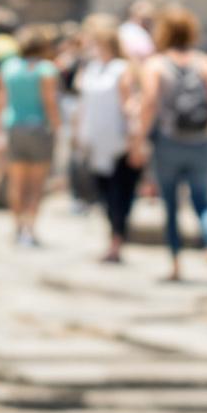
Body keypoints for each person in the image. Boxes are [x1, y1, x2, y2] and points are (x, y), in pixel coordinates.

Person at [134, 3, 207, 286]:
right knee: (204, 203)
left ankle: (175, 263)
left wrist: (139, 140)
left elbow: (149, 103)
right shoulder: (206, 63)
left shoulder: (156, 64)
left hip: (168, 141)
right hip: (199, 141)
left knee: (171, 205)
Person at [74, 15, 143, 263]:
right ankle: (113, 239)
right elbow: (83, 105)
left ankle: (117, 241)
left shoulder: (122, 69)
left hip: (120, 143)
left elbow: (129, 107)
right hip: (96, 141)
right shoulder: (91, 69)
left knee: (118, 194)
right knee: (102, 193)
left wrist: (136, 142)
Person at [0, 26, 62, 246]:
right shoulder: (46, 70)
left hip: (13, 126)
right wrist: (58, 126)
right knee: (36, 183)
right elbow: (49, 101)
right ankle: (30, 228)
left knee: (16, 181)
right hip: (39, 128)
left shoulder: (8, 68)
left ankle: (17, 226)